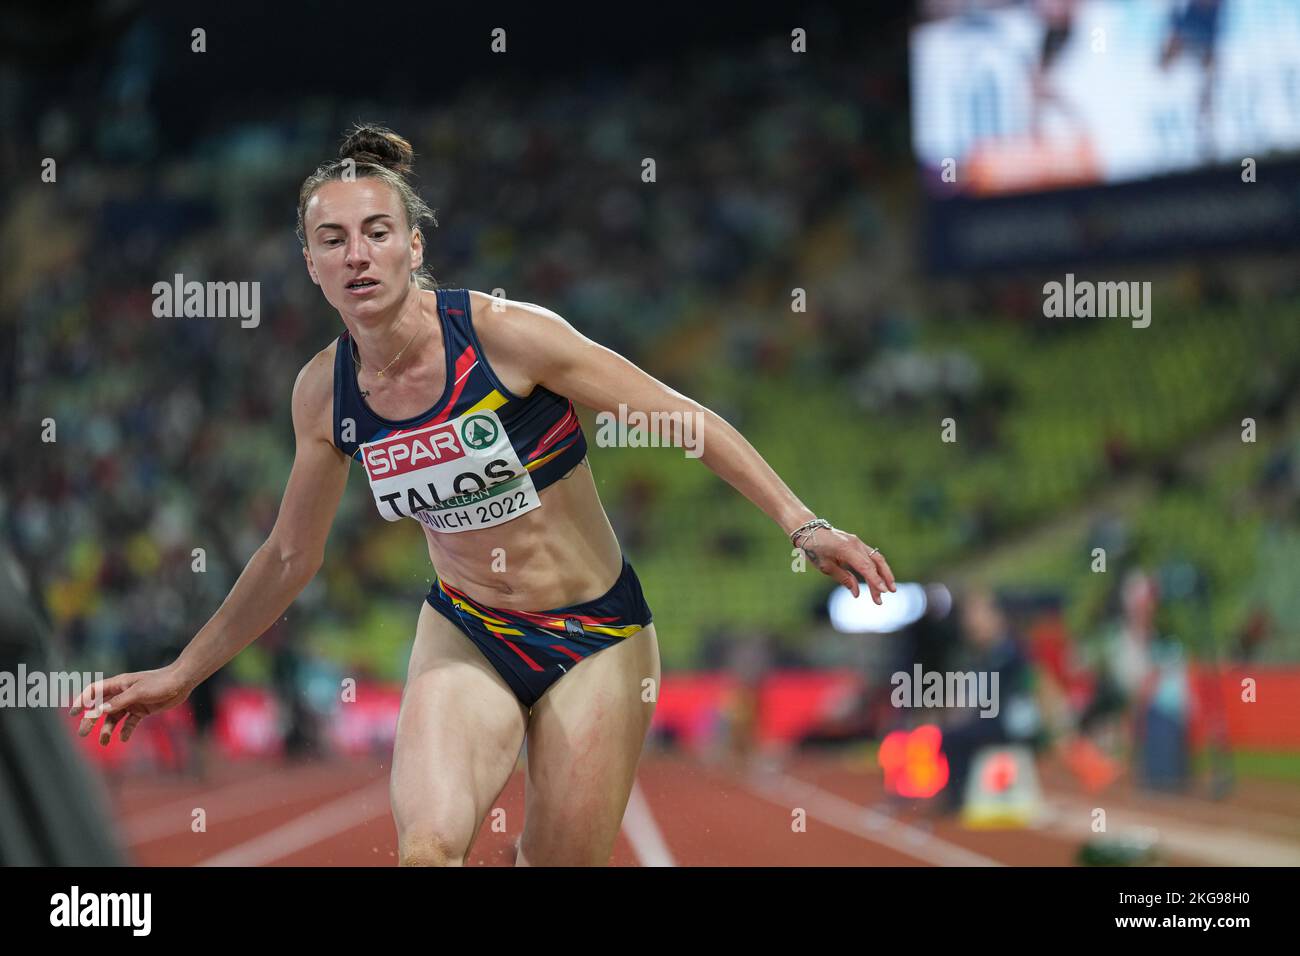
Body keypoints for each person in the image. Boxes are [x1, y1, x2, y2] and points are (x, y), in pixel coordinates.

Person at [69, 124, 896, 866]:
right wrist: (184, 672)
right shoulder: (324, 396)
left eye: (377, 232)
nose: (357, 254)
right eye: (333, 240)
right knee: (426, 849)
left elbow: (680, 418)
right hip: (468, 631)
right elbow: (290, 555)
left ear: (415, 248)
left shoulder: (507, 337)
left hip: (595, 635)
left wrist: (803, 523)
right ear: (313, 266)